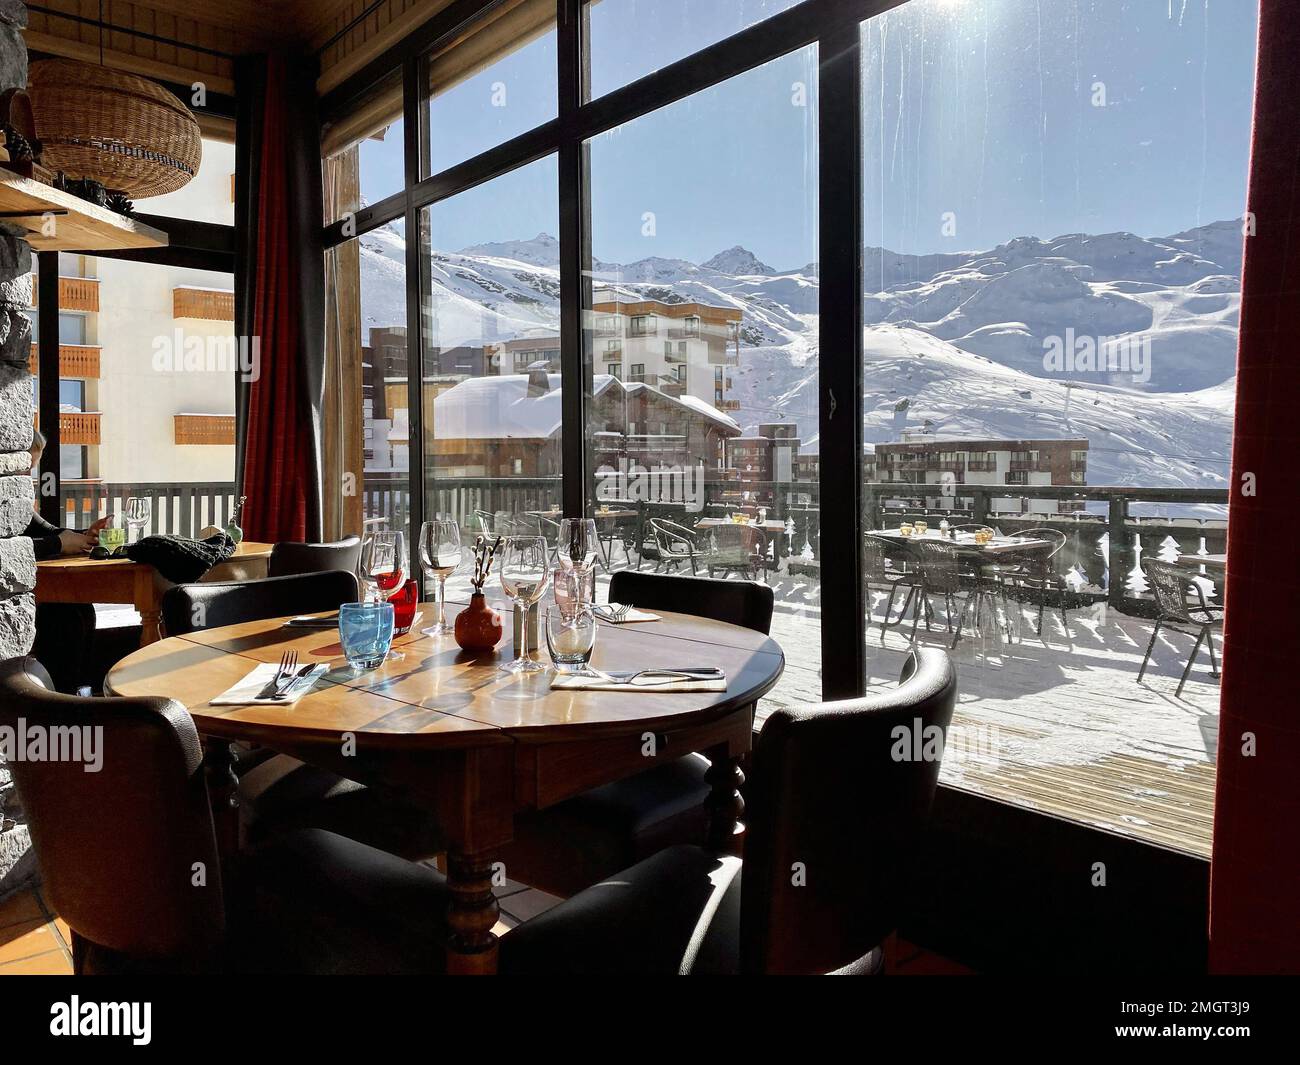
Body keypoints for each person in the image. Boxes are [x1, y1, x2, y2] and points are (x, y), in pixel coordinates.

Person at [26, 430, 115, 692]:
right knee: (65, 619)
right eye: (24, 469)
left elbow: (48, 531)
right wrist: (60, 544)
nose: (26, 479)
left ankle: (74, 692)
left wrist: (83, 536)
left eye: (30, 471)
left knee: (79, 608)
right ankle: (60, 700)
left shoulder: (15, 498)